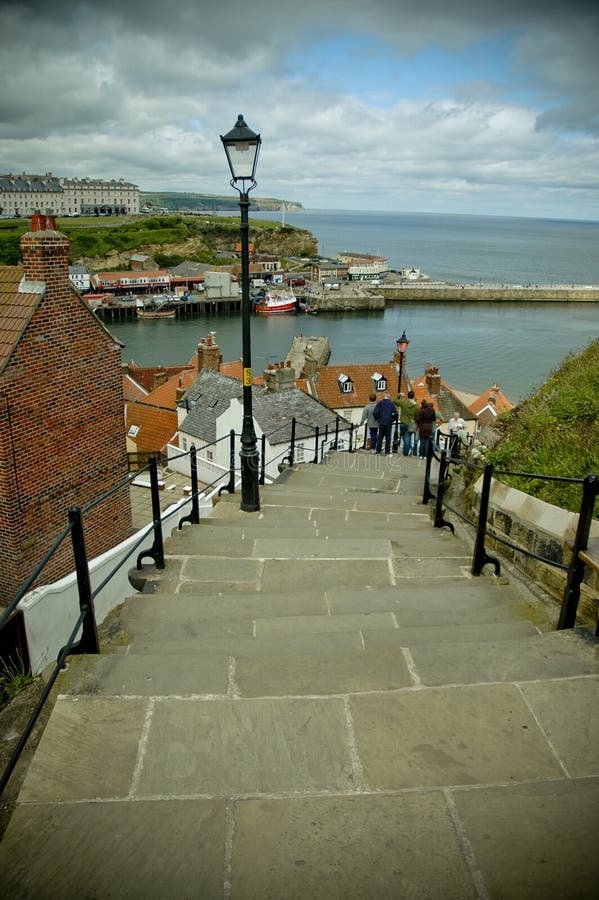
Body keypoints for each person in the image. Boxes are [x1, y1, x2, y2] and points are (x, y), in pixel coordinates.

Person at [396, 389, 418, 456]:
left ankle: (406, 450)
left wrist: (399, 395)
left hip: (403, 422)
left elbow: (395, 401)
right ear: (413, 396)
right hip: (411, 424)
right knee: (407, 437)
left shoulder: (403, 402)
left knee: (405, 437)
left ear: (408, 396)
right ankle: (406, 451)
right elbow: (417, 416)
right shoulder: (416, 406)